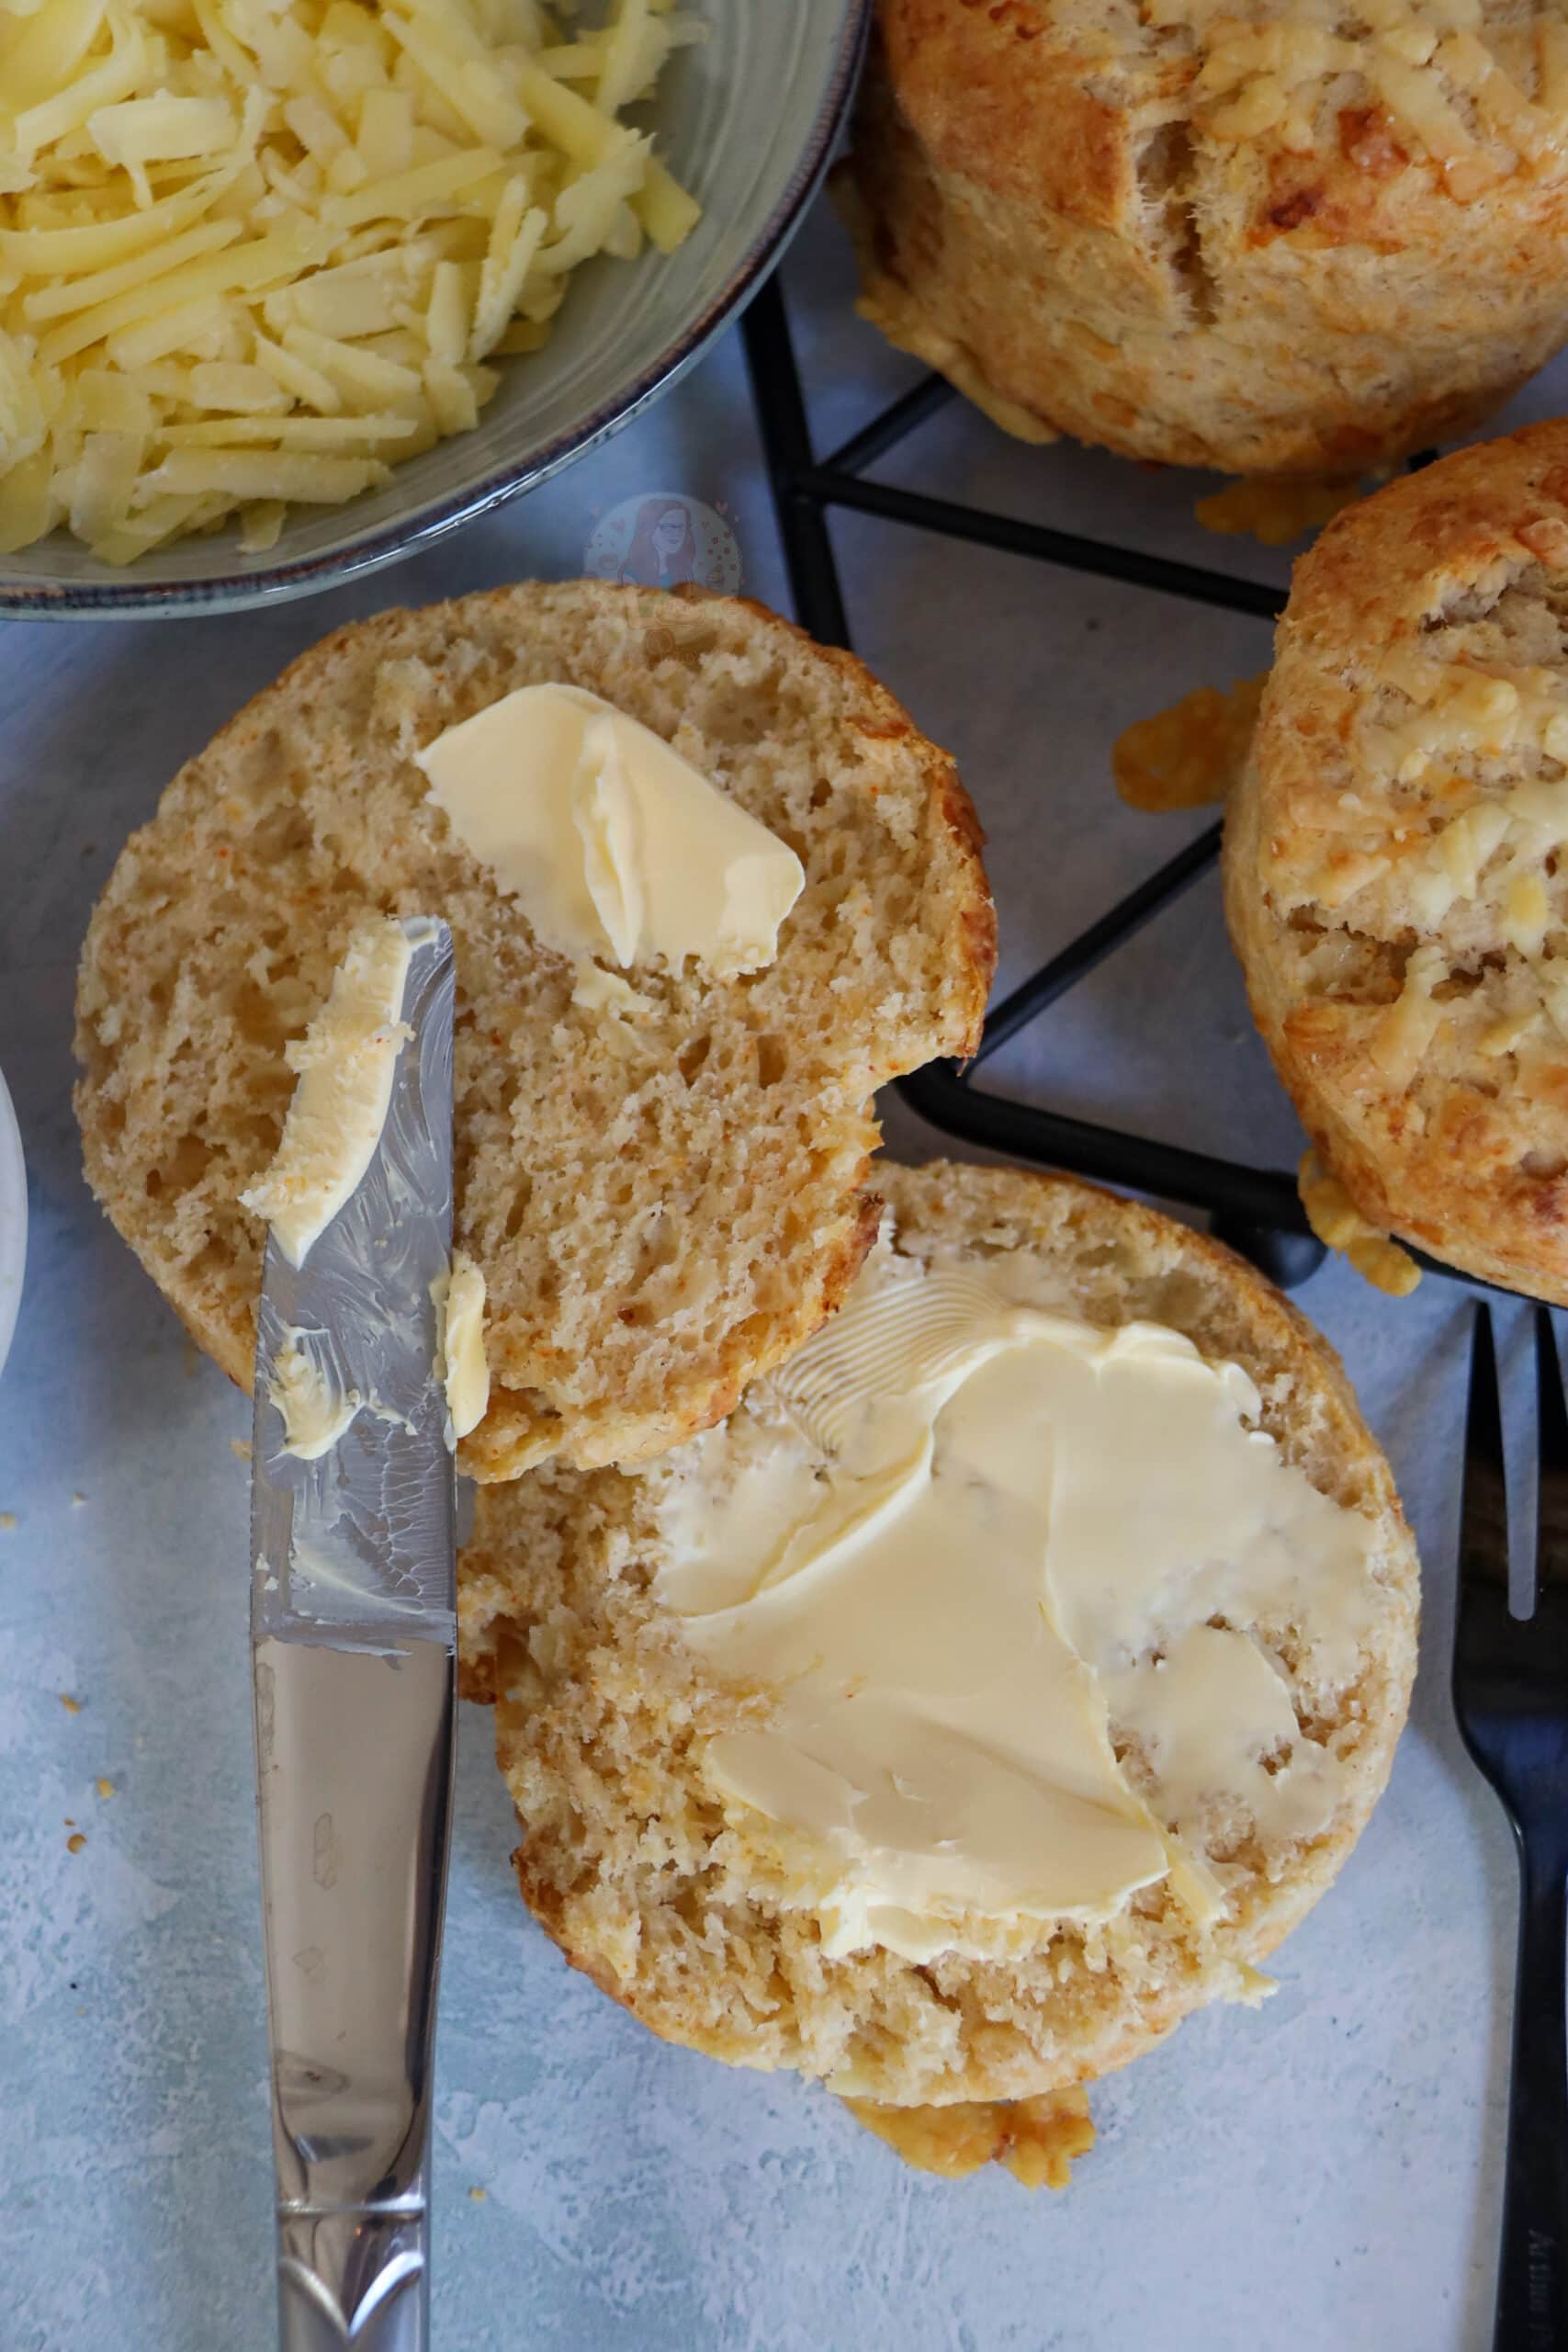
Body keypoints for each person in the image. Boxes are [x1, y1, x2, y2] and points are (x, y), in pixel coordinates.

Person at [617, 495, 701, 587]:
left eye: (681, 527)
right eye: (667, 526)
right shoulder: (632, 572)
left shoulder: (683, 568)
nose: (677, 533)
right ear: (648, 530)